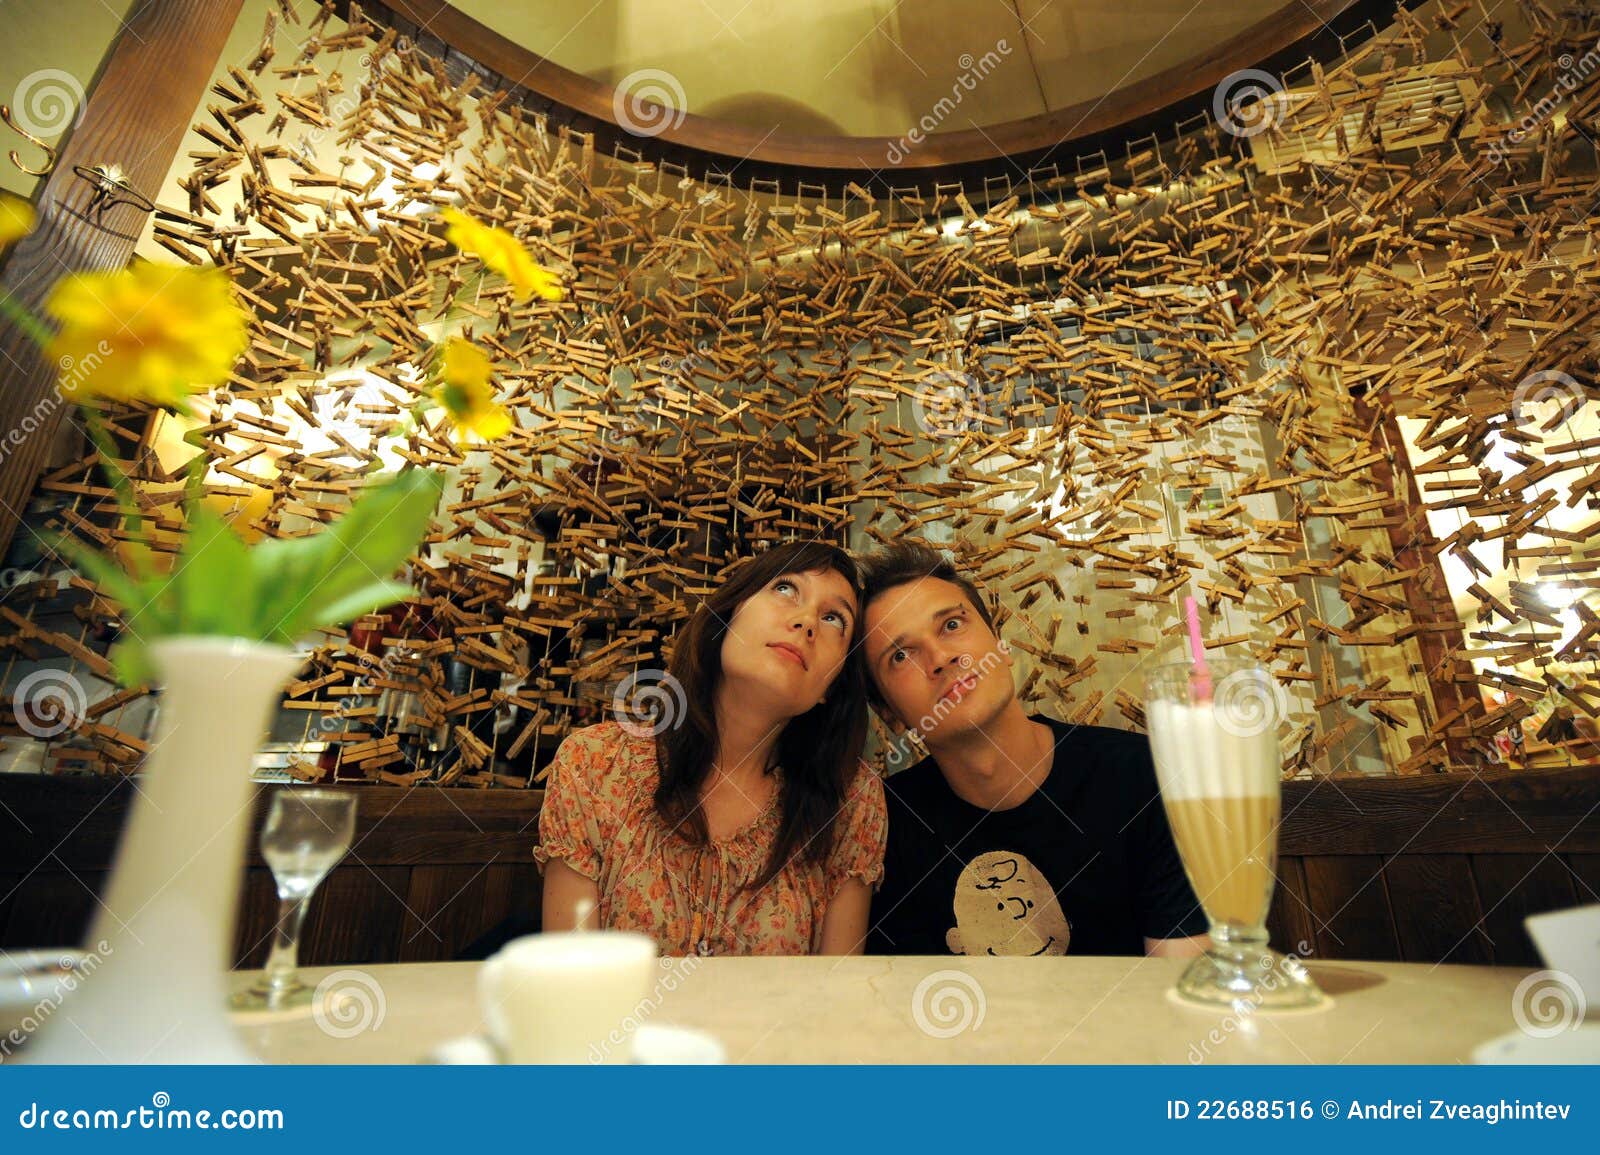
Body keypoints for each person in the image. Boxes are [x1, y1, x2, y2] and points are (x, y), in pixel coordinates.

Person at [858, 541, 1211, 958]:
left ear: (1000, 646)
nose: (940, 658)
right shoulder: (887, 825)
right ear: (889, 715)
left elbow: (1181, 985)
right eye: (900, 655)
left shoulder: (1143, 776)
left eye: (952, 625)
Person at [536, 540, 886, 955]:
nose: (807, 620)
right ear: (727, 618)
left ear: (832, 686)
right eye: (786, 589)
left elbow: (836, 998)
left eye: (834, 619)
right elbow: (574, 988)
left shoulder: (852, 801)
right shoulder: (594, 765)